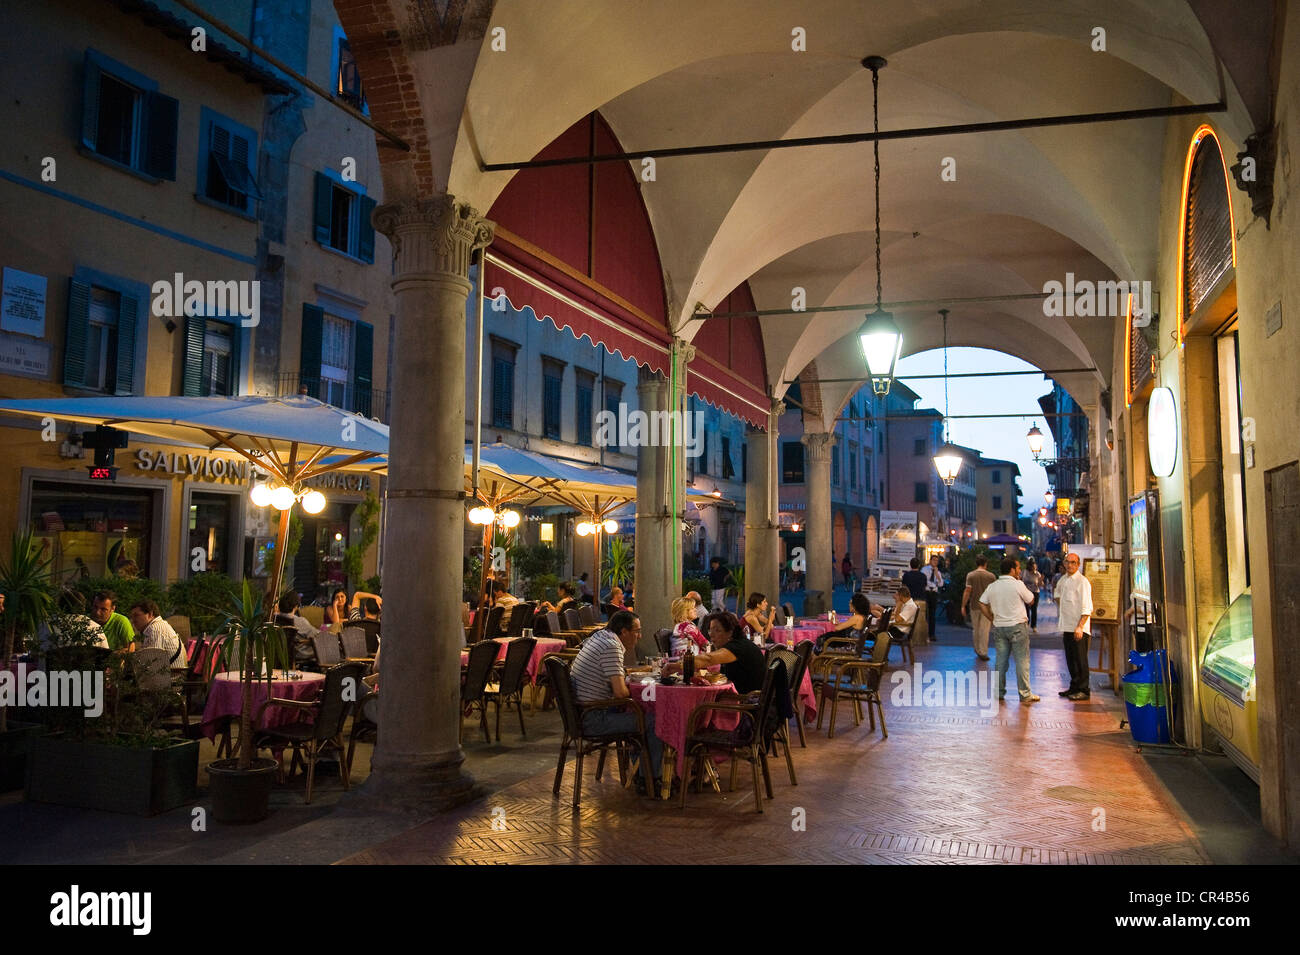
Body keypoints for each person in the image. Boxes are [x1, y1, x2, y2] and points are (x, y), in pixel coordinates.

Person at [570, 610, 662, 794]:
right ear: (623, 631)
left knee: (637, 715)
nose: (640, 636)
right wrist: (643, 691)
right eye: (637, 631)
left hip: (583, 714)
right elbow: (620, 692)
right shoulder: (612, 646)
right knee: (654, 721)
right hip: (594, 719)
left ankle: (641, 772)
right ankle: (651, 779)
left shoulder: (600, 637)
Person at [978, 557, 1038, 704]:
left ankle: (999, 692)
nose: (1019, 571)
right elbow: (1031, 600)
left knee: (1000, 662)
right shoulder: (1017, 584)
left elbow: (981, 602)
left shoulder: (993, 586)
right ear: (1012, 569)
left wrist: (991, 617)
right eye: (1017, 568)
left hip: (999, 627)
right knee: (1022, 661)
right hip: (1017, 626)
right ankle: (1025, 694)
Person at [666, 612, 766, 694]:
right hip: (749, 699)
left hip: (746, 704)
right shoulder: (741, 643)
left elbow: (708, 659)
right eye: (710, 630)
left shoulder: (737, 647)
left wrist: (675, 666)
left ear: (730, 632)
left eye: (717, 630)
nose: (711, 635)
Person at [1054, 552, 1094, 700]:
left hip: (1079, 628)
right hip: (1067, 626)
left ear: (1078, 565)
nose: (1070, 565)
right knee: (1070, 659)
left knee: (1080, 659)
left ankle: (1084, 689)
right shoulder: (1063, 580)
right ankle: (1074, 687)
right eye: (1067, 562)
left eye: (1073, 562)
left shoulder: (1082, 582)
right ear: (1064, 564)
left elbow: (1087, 607)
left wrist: (1080, 626)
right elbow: (1057, 595)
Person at [128, 600, 186, 668]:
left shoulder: (155, 629)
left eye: (136, 615)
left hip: (173, 676)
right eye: (132, 616)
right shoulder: (158, 626)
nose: (133, 620)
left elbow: (151, 662)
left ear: (150, 614)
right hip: (169, 674)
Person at [960, 555, 997, 661]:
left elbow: (967, 591)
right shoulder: (991, 576)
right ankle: (983, 651)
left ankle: (977, 649)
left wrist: (963, 605)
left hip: (974, 605)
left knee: (975, 629)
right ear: (986, 564)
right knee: (985, 630)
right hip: (987, 606)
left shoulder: (971, 575)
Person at [275, 593, 318, 663]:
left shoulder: (274, 618)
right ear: (296, 606)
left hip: (279, 654)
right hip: (299, 653)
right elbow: (317, 635)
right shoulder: (300, 621)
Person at [921, 553, 943, 641]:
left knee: (932, 615)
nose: (935, 562)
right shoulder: (925, 570)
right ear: (930, 561)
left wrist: (937, 575)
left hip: (934, 593)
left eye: (937, 561)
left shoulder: (938, 572)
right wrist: (931, 584)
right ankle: (924, 633)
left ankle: (932, 634)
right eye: (934, 560)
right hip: (926, 592)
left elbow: (941, 584)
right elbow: (924, 580)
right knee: (925, 613)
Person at [1021, 562, 1042, 631]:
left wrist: (1041, 581)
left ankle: (1034, 626)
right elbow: (1020, 580)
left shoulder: (1037, 574)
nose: (1034, 568)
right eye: (1033, 567)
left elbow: (1040, 585)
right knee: (1026, 608)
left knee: (1034, 609)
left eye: (1035, 567)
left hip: (1035, 593)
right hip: (1026, 592)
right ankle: (1026, 624)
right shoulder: (1024, 572)